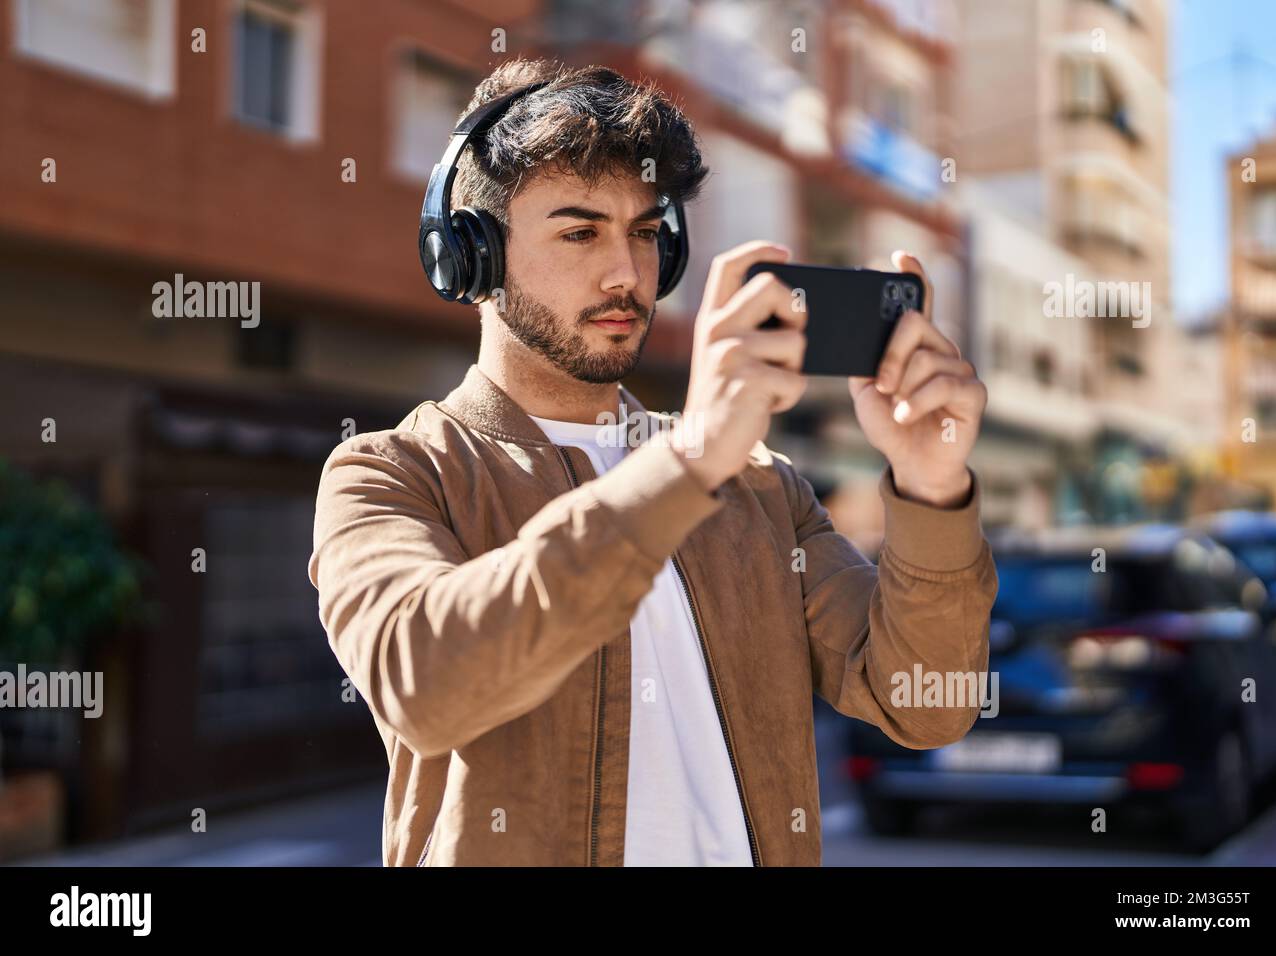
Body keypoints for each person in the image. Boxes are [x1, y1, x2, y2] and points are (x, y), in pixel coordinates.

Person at [308, 57, 997, 866]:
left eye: (645, 234)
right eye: (579, 232)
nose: (627, 275)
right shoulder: (391, 472)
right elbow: (424, 683)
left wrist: (930, 485)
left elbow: (928, 706)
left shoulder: (761, 488)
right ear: (472, 258)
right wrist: (689, 459)